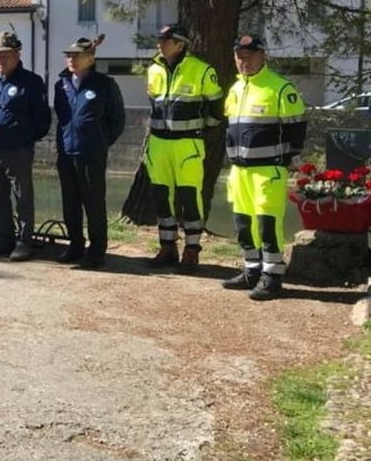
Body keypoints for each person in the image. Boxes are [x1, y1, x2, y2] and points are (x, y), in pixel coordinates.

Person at [221, 35, 306, 300]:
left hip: (268, 170)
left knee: (268, 224)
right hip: (239, 171)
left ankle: (272, 277)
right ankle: (252, 270)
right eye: (239, 56)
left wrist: (282, 160)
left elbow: (297, 131)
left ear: (262, 56)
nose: (243, 61)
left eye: (249, 55)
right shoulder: (236, 89)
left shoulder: (280, 88)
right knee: (243, 223)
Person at [145, 23, 224, 271]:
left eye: (165, 41)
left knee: (190, 197)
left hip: (187, 144)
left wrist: (200, 130)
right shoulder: (153, 69)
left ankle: (192, 250)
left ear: (180, 44)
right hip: (158, 144)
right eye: (159, 40)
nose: (160, 44)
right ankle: (167, 246)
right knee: (161, 197)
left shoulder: (201, 70)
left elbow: (217, 109)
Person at [53, 37, 126, 267]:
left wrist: (100, 142)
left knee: (93, 203)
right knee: (70, 203)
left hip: (92, 154)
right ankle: (75, 245)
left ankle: (96, 250)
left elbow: (117, 120)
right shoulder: (61, 85)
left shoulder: (104, 84)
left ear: (91, 59)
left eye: (77, 55)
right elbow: (62, 119)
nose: (71, 59)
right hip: (67, 153)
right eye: (69, 55)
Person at [0, 31, 51, 261]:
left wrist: (24, 138)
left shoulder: (31, 82)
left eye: (5, 55)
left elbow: (42, 119)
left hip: (17, 150)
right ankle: (3, 239)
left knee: (22, 198)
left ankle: (24, 241)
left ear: (17, 54)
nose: (0, 59)